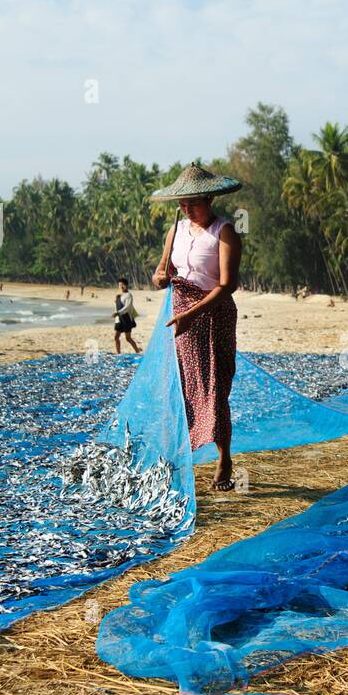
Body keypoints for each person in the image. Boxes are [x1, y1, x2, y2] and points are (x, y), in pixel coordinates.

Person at [150, 163, 244, 492]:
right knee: (187, 386)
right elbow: (161, 273)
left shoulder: (225, 232)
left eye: (193, 203)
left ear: (209, 200)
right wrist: (160, 278)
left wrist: (195, 312)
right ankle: (184, 454)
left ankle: (224, 458)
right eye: (182, 204)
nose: (187, 210)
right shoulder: (175, 232)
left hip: (214, 315)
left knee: (215, 387)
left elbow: (227, 284)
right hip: (182, 320)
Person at [112, 278, 141, 354]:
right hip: (119, 319)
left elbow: (127, 308)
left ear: (126, 285)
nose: (121, 286)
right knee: (116, 337)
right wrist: (116, 313)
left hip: (126, 319)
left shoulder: (129, 295)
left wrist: (118, 313)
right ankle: (118, 353)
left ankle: (137, 351)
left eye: (122, 285)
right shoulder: (119, 295)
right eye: (119, 285)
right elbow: (116, 306)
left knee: (128, 338)